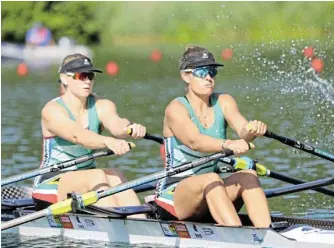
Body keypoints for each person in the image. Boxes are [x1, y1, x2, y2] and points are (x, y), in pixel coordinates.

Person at [155, 45, 271, 227]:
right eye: (201, 72)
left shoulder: (224, 101)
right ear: (186, 76)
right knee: (212, 179)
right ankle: (235, 234)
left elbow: (243, 131)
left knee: (248, 175)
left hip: (211, 190)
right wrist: (228, 144)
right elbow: (195, 142)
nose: (209, 78)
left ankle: (267, 233)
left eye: (212, 71)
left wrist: (252, 129)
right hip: (175, 193)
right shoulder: (175, 109)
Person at [32, 53, 146, 218]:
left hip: (88, 179)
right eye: (81, 76)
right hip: (52, 182)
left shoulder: (102, 105)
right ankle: (114, 225)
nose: (87, 81)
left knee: (114, 174)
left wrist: (129, 127)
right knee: (97, 175)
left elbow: (116, 124)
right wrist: (108, 141)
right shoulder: (52, 111)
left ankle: (139, 223)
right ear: (64, 78)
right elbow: (78, 136)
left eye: (90, 76)